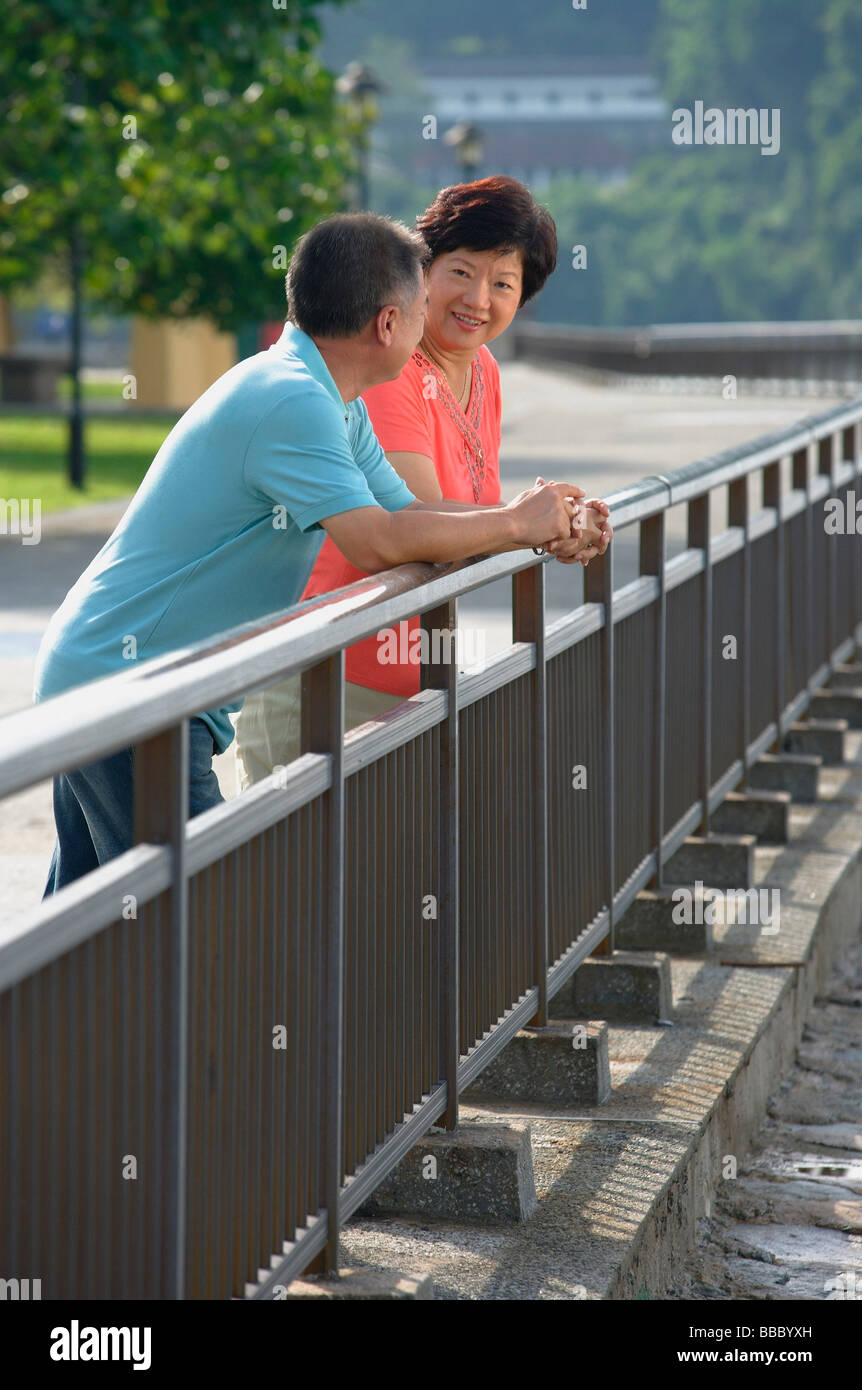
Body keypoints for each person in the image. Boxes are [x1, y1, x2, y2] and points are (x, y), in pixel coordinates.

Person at [34, 210, 608, 891]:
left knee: (87, 937)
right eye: (424, 306)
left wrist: (540, 520)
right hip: (129, 690)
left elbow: (407, 511)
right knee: (209, 910)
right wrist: (515, 526)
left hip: (118, 675)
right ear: (388, 325)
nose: (432, 323)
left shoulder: (332, 396)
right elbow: (376, 543)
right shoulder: (293, 400)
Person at [234, 178, 612, 785]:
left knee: (391, 876)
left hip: (411, 674)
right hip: (326, 676)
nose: (478, 298)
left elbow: (475, 516)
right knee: (303, 878)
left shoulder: (483, 371)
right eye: (461, 272)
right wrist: (528, 524)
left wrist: (556, 521)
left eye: (503, 284)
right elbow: (419, 521)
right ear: (421, 270)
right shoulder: (388, 367)